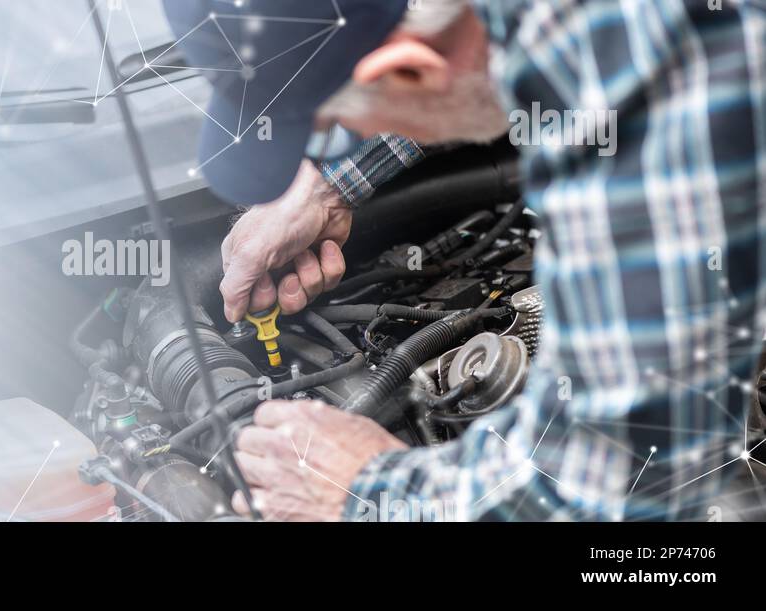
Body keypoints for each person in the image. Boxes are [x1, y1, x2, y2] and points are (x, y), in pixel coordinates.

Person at [166, 0, 766, 521]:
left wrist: (362, 492)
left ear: (405, 67)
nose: (339, 139)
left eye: (332, 128)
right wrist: (330, 184)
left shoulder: (648, 102)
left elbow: (625, 481)